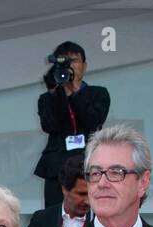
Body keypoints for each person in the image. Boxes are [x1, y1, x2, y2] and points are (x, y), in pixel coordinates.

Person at [33, 42, 109, 208]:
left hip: (89, 162)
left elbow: (93, 121)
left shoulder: (98, 93)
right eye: (66, 62)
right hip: (56, 164)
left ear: (84, 65)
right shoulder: (48, 98)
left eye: (74, 61)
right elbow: (49, 125)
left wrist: (75, 90)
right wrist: (57, 92)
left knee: (92, 213)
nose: (71, 66)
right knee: (54, 216)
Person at [18, 154, 90, 227]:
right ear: (64, 189)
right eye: (82, 194)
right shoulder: (41, 220)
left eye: (91, 193)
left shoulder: (102, 220)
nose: (88, 200)